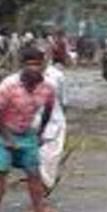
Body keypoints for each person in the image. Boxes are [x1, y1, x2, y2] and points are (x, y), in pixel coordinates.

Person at [0, 46, 61, 212]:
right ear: (23, 66)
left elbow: (49, 110)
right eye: (30, 64)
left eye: (37, 64)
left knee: (34, 173)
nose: (34, 68)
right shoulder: (9, 85)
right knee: (0, 171)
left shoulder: (48, 87)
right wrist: (6, 139)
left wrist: (41, 133)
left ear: (43, 66)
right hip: (1, 130)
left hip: (26, 132)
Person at [40, 52, 69, 189]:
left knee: (51, 154)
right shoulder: (21, 78)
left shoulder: (56, 76)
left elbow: (63, 100)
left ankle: (46, 183)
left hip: (54, 121)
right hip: (31, 121)